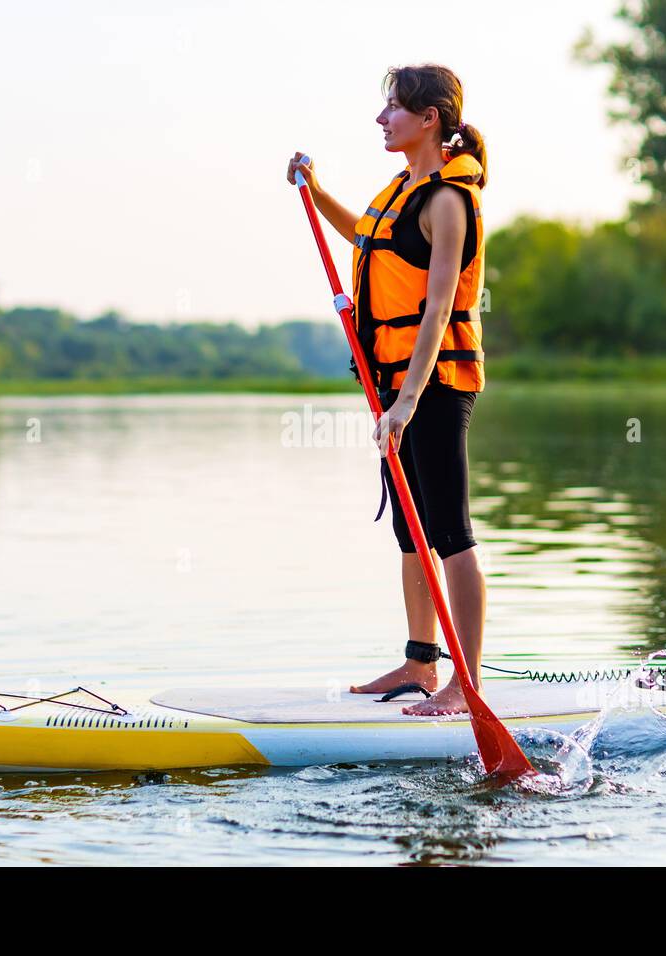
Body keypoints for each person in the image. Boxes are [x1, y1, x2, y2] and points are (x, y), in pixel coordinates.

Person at [286, 63, 488, 716]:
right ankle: (418, 665)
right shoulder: (403, 190)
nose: (381, 119)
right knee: (410, 530)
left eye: (393, 108)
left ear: (429, 119)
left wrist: (407, 401)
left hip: (435, 385)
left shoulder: (449, 202)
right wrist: (314, 191)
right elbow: (362, 236)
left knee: (450, 532)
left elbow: (436, 310)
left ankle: (466, 684)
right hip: (395, 387)